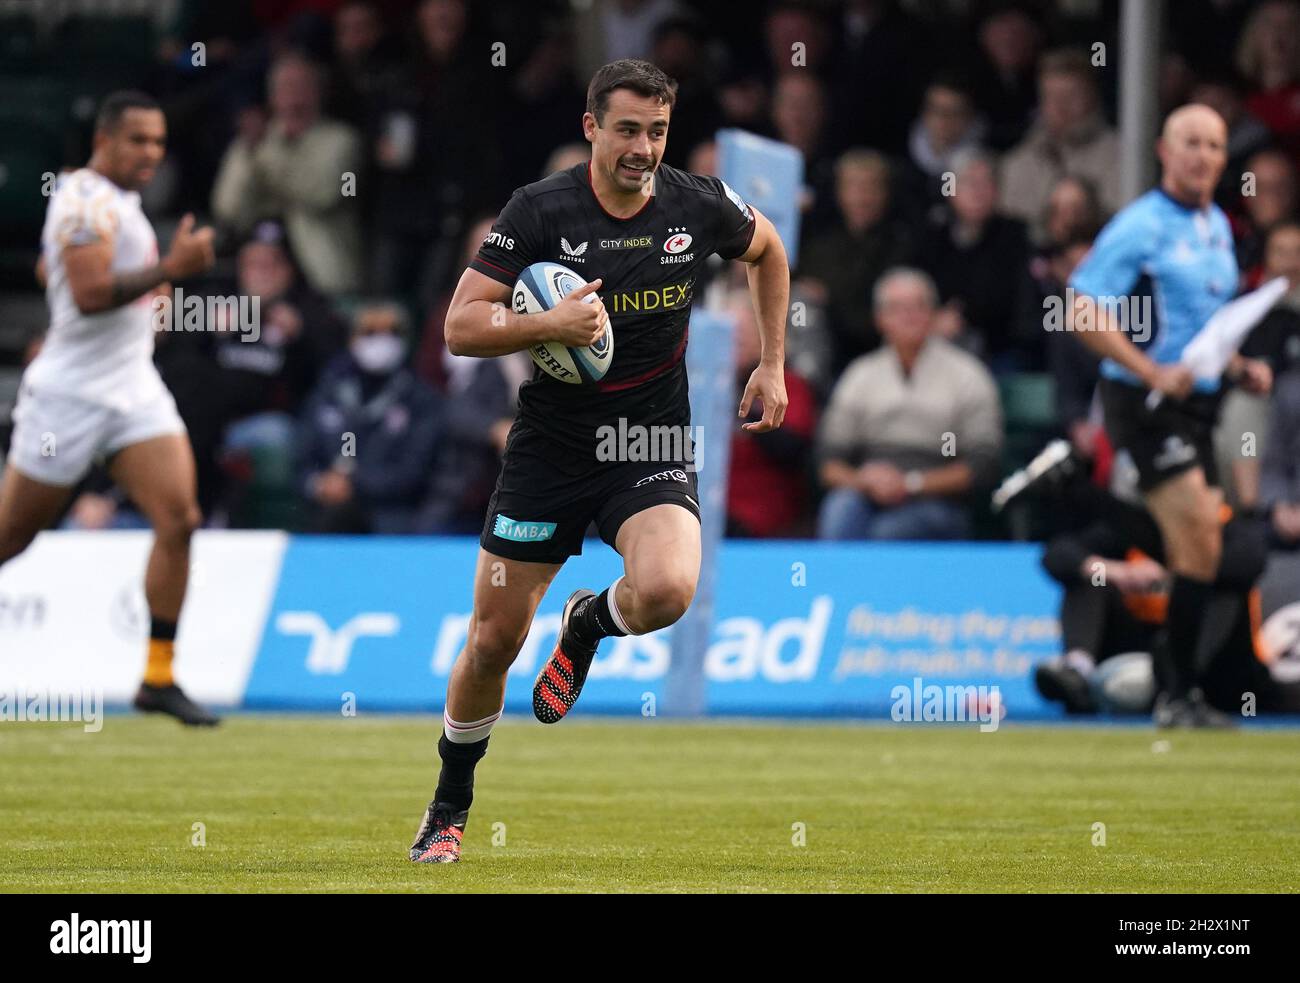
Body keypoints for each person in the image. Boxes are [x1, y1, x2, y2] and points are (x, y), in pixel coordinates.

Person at [408, 59, 789, 863]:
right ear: (591, 127)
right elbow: (460, 327)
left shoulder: (696, 204)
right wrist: (548, 325)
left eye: (656, 131)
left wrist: (773, 363)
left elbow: (770, 251)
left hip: (648, 442)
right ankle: (451, 800)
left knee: (669, 588)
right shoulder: (538, 211)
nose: (642, 148)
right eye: (626, 130)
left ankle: (586, 623)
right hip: (549, 451)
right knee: (491, 644)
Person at [0, 92, 218, 725]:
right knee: (13, 536)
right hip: (68, 395)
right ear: (104, 139)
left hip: (131, 388)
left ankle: (157, 677)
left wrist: (154, 288)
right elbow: (91, 292)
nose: (152, 152)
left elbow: (54, 269)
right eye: (138, 140)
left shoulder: (112, 203)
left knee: (179, 519)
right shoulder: (84, 198)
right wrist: (169, 269)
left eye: (158, 142)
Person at [1067, 103, 1276, 728]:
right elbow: (1081, 309)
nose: (1203, 155)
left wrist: (1238, 365)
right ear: (1164, 149)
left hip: (1199, 406)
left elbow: (1200, 327)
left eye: (1214, 145)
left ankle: (1176, 688)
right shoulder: (1141, 225)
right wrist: (1149, 369)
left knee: (1202, 549)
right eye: (1191, 143)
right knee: (1197, 535)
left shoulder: (1216, 226)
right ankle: (1172, 688)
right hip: (1147, 403)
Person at [816, 268, 1002, 541]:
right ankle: (831, 585)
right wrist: (864, 482)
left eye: (919, 306)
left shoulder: (968, 375)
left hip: (939, 499)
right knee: (839, 510)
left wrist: (911, 484)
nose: (909, 316)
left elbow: (983, 465)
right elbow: (828, 460)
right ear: (880, 318)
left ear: (934, 314)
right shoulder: (860, 374)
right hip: (868, 486)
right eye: (897, 308)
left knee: (890, 532)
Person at [211, 52, 363, 295]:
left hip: (320, 274)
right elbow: (228, 208)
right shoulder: (253, 141)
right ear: (271, 96)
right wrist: (249, 152)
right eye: (285, 87)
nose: (294, 94)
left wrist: (261, 159)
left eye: (303, 86)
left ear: (320, 92)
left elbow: (323, 194)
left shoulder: (342, 140)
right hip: (257, 269)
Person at [296, 302, 443, 533]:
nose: (381, 341)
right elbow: (301, 457)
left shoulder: (421, 399)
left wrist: (354, 483)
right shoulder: (329, 391)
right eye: (370, 332)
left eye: (392, 332)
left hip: (395, 516)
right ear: (352, 338)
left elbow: (415, 472)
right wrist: (317, 483)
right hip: (327, 512)